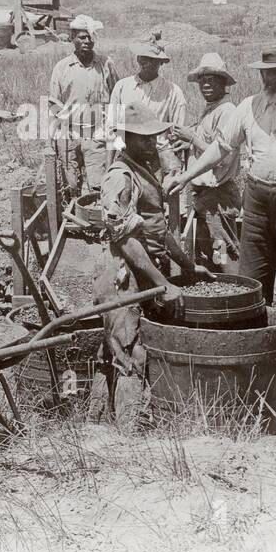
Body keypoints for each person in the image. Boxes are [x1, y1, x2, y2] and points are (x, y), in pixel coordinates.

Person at [167, 45, 276, 366]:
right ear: (262, 75)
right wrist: (185, 175)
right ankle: (253, 348)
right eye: (271, 73)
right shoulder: (248, 108)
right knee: (251, 276)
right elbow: (221, 147)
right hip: (257, 202)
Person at [91, 102, 210, 430]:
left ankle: (111, 423)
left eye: (153, 138)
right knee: (130, 354)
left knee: (132, 350)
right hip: (126, 277)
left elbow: (159, 230)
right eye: (142, 139)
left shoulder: (145, 170)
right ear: (126, 138)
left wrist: (187, 266)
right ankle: (127, 437)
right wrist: (164, 283)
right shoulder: (120, 176)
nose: (150, 144)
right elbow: (127, 241)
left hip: (148, 272)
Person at [170, 53, 242, 273]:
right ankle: (220, 292)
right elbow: (208, 145)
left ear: (223, 83)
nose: (207, 84)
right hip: (205, 194)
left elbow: (223, 156)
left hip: (218, 194)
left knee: (223, 249)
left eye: (213, 79)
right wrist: (188, 145)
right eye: (203, 79)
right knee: (212, 249)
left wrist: (191, 138)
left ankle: (235, 292)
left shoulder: (227, 111)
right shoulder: (211, 108)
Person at [47, 14, 118, 195]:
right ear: (72, 39)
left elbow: (118, 96)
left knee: (98, 185)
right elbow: (53, 104)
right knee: (69, 186)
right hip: (70, 133)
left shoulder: (105, 64)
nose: (87, 41)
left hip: (98, 134)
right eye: (82, 37)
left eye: (90, 37)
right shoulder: (62, 68)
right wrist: (52, 139)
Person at [106, 38, 187, 172]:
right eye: (143, 58)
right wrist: (109, 168)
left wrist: (175, 169)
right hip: (128, 154)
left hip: (161, 154)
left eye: (153, 59)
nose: (147, 63)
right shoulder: (122, 87)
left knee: (168, 186)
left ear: (160, 62)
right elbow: (111, 129)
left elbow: (178, 133)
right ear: (138, 59)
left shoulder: (173, 92)